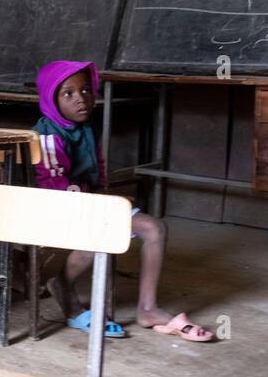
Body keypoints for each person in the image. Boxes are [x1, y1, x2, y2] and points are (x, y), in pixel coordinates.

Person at [33, 60, 214, 342]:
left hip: (90, 202)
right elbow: (55, 185)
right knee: (101, 235)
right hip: (57, 205)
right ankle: (64, 289)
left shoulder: (86, 128)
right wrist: (99, 204)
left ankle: (148, 308)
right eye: (68, 94)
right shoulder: (47, 135)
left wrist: (107, 196)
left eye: (85, 91)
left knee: (155, 228)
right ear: (50, 99)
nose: (81, 99)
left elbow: (98, 169)